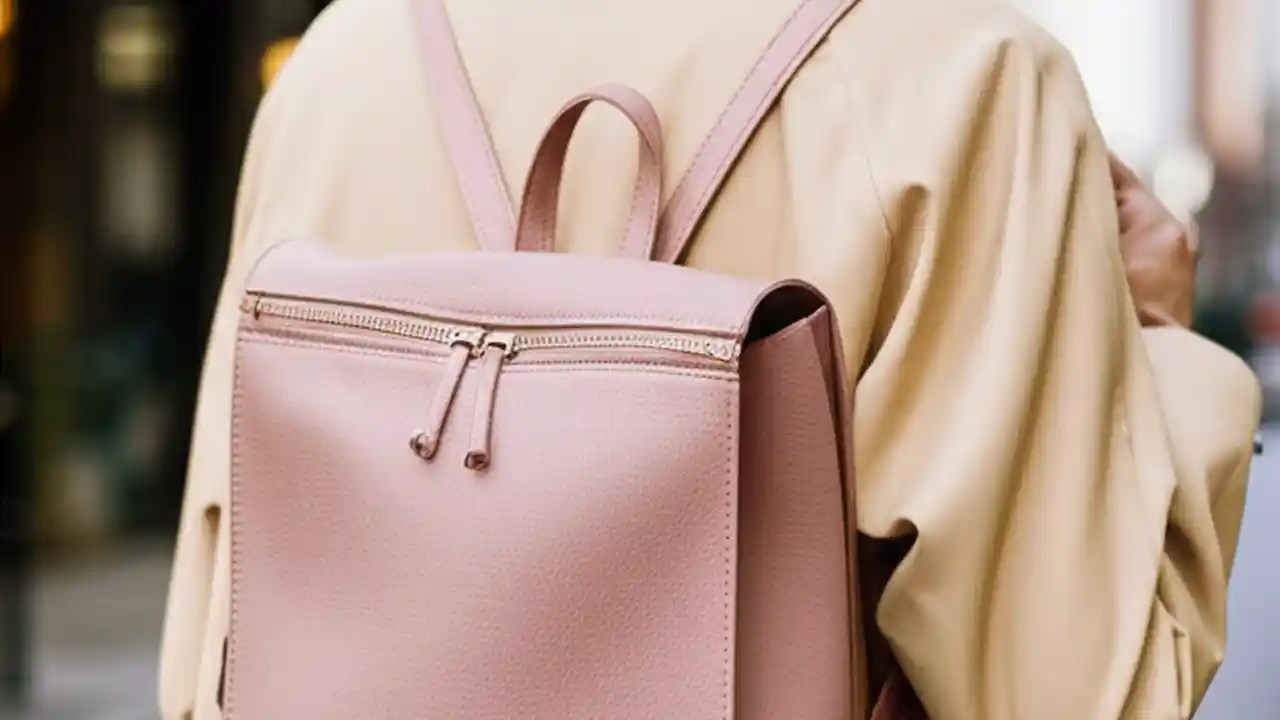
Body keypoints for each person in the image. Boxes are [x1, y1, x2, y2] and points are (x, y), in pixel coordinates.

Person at [159, 0, 1261, 717]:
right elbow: (1072, 695)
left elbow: (211, 645)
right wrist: (1160, 344)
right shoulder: (963, 72)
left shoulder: (341, 58)